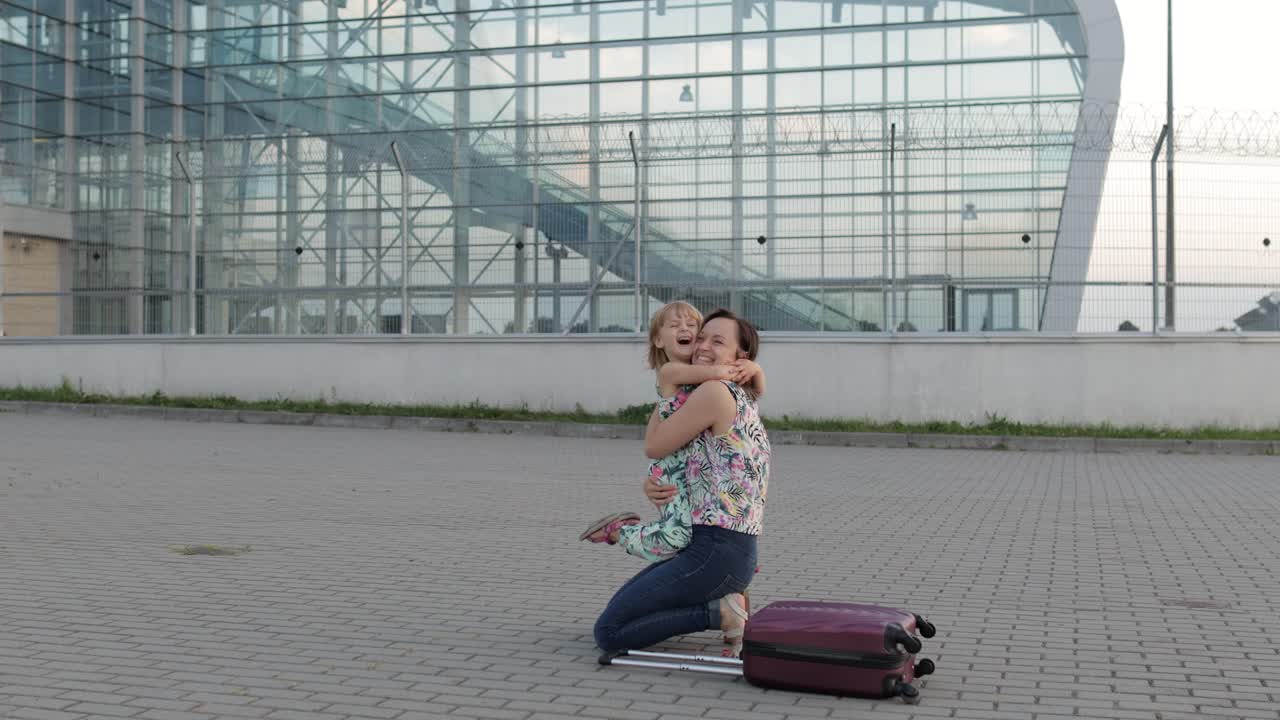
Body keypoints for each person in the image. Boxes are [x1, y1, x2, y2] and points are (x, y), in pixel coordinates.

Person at [593, 309, 771, 658]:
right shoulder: (742, 395)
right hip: (726, 553)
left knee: (610, 632)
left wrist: (667, 395)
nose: (702, 345)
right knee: (626, 608)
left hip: (714, 553)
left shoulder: (714, 392)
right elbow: (689, 461)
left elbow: (654, 445)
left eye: (717, 341)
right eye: (701, 337)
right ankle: (727, 599)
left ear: (740, 355)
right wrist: (653, 485)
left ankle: (720, 612)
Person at [579, 301, 765, 567]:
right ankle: (619, 531)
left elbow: (758, 391)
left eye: (692, 326)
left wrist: (756, 370)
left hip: (693, 472)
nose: (686, 330)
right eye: (675, 326)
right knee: (676, 535)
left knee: (686, 531)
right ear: (658, 340)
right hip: (673, 467)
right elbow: (718, 371)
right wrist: (742, 368)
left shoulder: (708, 386)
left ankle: (733, 555)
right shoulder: (671, 372)